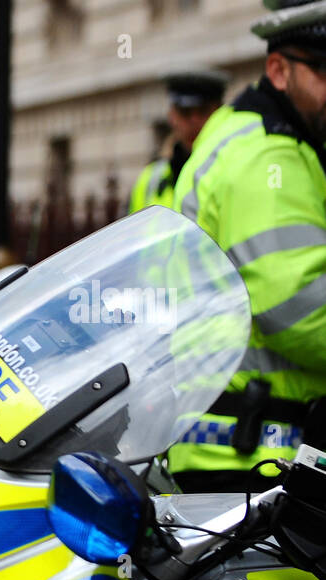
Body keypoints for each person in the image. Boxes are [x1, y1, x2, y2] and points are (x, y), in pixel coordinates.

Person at [168, 1, 326, 492]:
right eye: (323, 72)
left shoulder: (245, 134)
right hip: (257, 454)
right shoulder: (268, 155)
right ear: (279, 70)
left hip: (232, 443)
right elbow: (298, 303)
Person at [127, 68, 230, 213]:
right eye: (185, 112)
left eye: (203, 111)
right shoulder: (149, 181)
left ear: (220, 113)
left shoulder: (233, 170)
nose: (194, 121)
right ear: (172, 115)